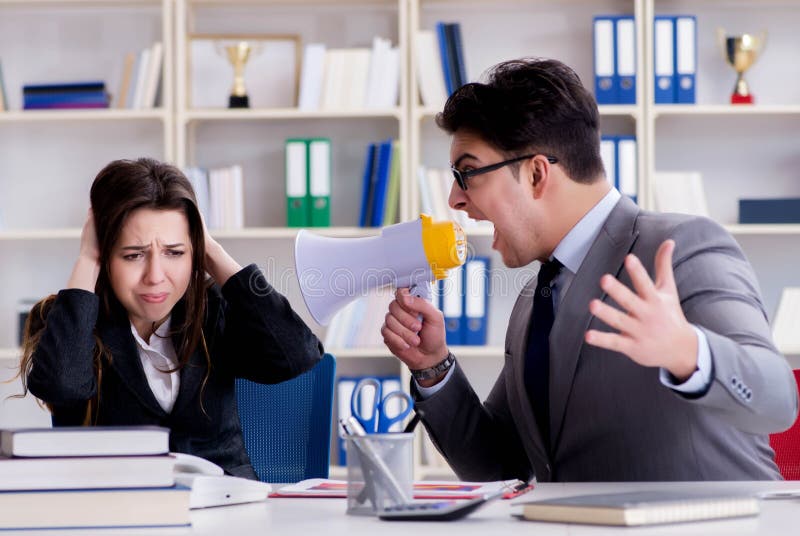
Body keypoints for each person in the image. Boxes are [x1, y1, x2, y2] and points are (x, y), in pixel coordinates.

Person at [381, 58, 799, 482]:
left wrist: (689, 352)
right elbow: (499, 466)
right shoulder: (534, 301)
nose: (455, 199)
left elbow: (778, 400)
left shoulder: (681, 248)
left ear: (536, 174)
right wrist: (433, 366)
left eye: (467, 173)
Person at [18, 157, 323, 479]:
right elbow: (62, 389)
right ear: (105, 256)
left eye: (175, 252)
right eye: (133, 254)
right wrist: (87, 258)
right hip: (117, 510)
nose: (155, 276)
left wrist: (214, 252)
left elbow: (297, 356)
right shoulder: (71, 319)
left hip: (223, 508)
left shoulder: (215, 310)